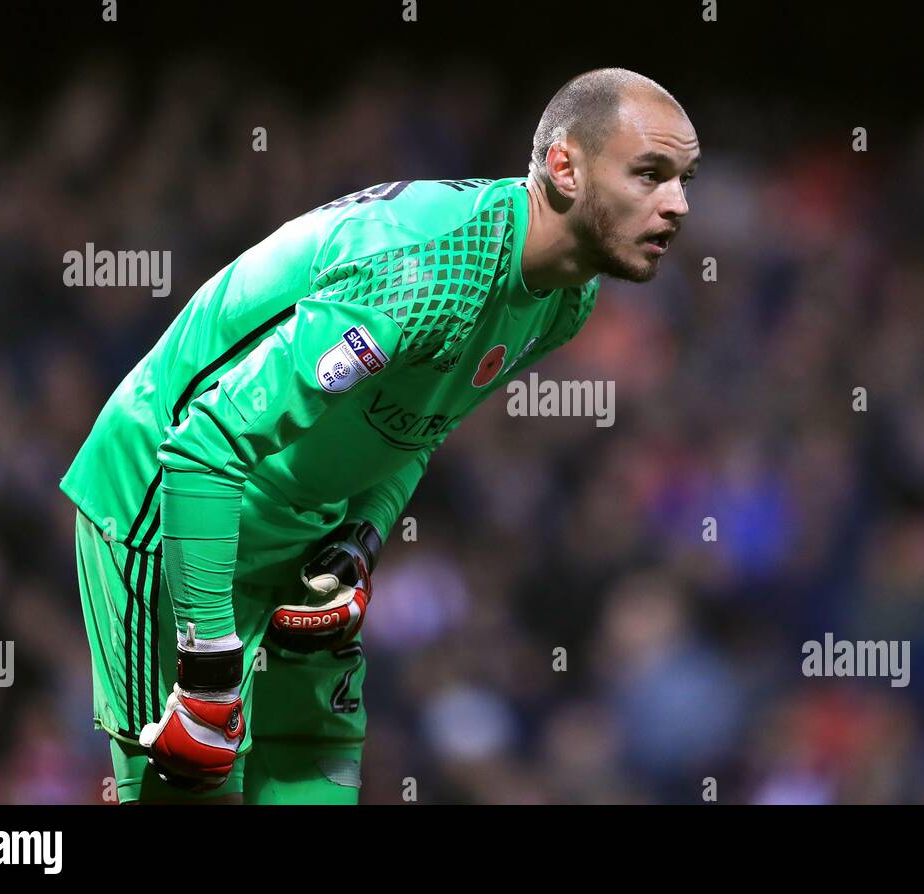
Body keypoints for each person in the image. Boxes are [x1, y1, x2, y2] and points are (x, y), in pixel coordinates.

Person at [62, 67, 700, 803]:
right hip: (170, 510)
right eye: (650, 174)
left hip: (300, 536)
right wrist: (208, 676)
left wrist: (361, 537)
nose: (678, 204)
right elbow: (204, 443)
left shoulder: (565, 301)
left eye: (684, 178)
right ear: (563, 167)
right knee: (190, 793)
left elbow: (417, 427)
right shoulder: (425, 270)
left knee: (316, 786)